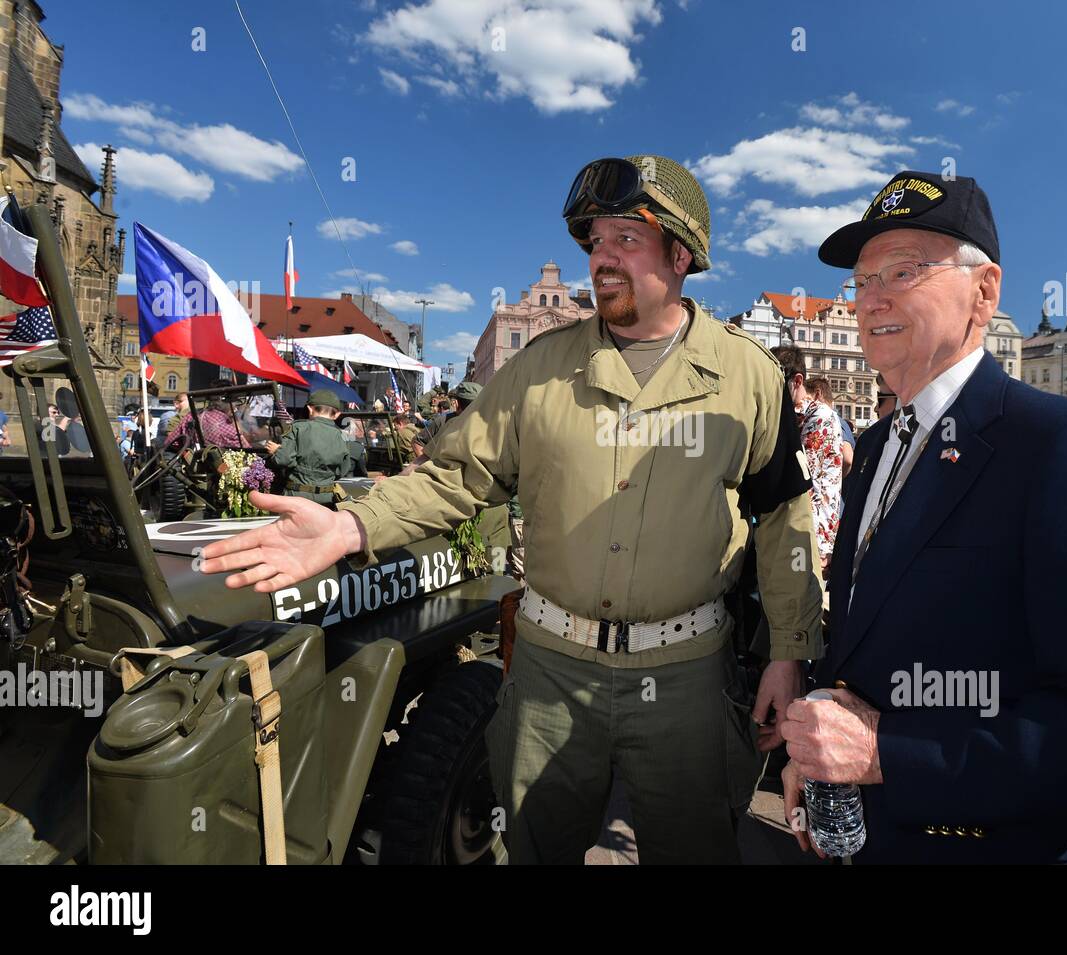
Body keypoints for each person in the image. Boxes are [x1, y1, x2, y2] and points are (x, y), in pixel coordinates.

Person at [200, 154, 823, 865]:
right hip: (551, 677)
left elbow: (783, 517)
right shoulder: (539, 369)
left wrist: (788, 650)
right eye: (595, 242)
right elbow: (455, 476)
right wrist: (351, 524)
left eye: (626, 238)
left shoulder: (749, 374)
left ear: (681, 254)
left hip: (686, 679)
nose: (602, 258)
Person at [778, 169, 1067, 864]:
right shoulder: (871, 448)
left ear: (985, 293)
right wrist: (825, 740)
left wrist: (889, 755)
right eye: (862, 281)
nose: (873, 299)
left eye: (905, 270)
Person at [774, 354, 842, 577]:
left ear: (797, 381)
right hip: (799, 528)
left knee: (804, 605)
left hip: (812, 533)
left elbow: (800, 474)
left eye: (776, 384)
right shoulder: (797, 417)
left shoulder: (820, 417)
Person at [264, 389, 351, 504]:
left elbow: (284, 459)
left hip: (297, 497)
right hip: (326, 499)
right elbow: (343, 470)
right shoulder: (342, 436)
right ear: (337, 415)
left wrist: (277, 451)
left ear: (310, 409)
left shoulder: (298, 428)